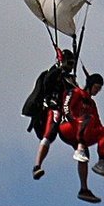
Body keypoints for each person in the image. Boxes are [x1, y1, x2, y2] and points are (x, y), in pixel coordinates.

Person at [58, 72, 104, 203]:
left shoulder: (92, 103)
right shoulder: (76, 92)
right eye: (97, 87)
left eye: (99, 89)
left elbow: (98, 123)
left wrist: (101, 135)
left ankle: (98, 167)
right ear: (90, 84)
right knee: (88, 118)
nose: (98, 91)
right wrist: (72, 119)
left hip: (84, 131)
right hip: (68, 127)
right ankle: (80, 148)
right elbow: (66, 106)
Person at [27, 49, 76, 179]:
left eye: (72, 63)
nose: (71, 66)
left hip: (65, 112)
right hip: (52, 109)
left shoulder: (69, 80)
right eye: (69, 63)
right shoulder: (53, 74)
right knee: (50, 133)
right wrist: (58, 67)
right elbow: (47, 82)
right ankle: (37, 166)